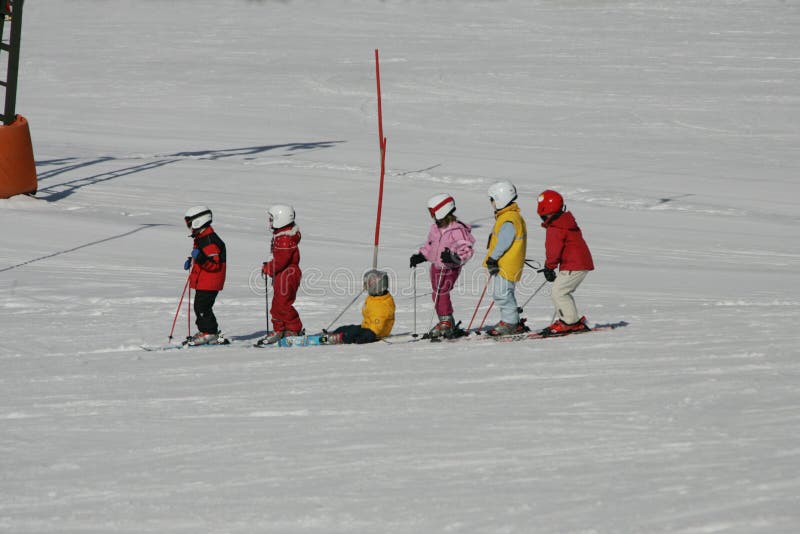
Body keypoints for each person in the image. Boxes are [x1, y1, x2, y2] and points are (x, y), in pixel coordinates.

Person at [409, 193, 475, 338]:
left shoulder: (457, 230)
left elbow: (467, 250)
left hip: (450, 267)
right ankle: (445, 321)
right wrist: (421, 255)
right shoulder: (435, 228)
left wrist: (454, 257)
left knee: (442, 292)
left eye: (433, 213)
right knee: (436, 294)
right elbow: (430, 245)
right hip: (436, 267)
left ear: (442, 211)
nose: (432, 217)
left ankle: (446, 322)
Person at [536, 189, 594, 335]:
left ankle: (569, 322)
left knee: (559, 292)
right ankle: (572, 320)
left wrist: (549, 267)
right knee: (562, 291)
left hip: (574, 264)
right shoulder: (565, 222)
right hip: (578, 263)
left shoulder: (555, 227)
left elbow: (553, 250)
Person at [484, 180, 528, 336]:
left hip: (506, 264)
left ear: (500, 198)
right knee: (501, 293)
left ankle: (511, 323)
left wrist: (493, 258)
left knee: (502, 294)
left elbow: (504, 242)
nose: (492, 203)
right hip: (506, 263)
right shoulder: (510, 216)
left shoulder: (509, 218)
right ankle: (509, 320)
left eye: (492, 199)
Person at [258, 204, 304, 345]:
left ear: (281, 219)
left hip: (288, 275)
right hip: (282, 274)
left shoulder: (285, 238)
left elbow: (281, 261)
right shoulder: (282, 235)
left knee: (283, 304)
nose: (270, 222)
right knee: (277, 304)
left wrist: (269, 268)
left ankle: (294, 329)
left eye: (272, 219)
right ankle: (280, 329)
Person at [183, 205, 227, 346]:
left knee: (202, 307)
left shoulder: (209, 240)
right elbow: (204, 256)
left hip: (210, 281)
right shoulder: (202, 237)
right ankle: (205, 331)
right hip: (204, 280)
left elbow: (214, 264)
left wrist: (200, 258)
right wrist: (193, 260)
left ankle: (210, 333)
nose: (189, 227)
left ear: (198, 221)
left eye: (189, 223)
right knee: (200, 307)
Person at [324, 270, 395, 344]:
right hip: (367, 327)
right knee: (345, 329)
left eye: (370, 283)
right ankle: (330, 335)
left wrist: (363, 338)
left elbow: (377, 328)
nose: (367, 285)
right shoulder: (374, 298)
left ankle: (333, 339)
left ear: (378, 285)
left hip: (375, 333)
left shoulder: (382, 305)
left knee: (350, 334)